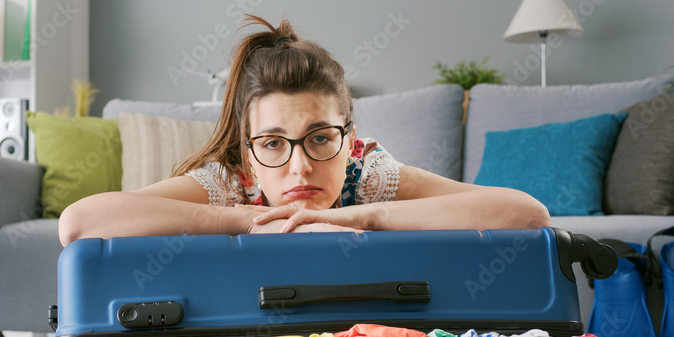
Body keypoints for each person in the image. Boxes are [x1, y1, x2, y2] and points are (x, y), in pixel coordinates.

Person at [58, 15, 549, 245]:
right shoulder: (231, 183)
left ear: (349, 139)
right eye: (273, 142)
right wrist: (250, 220)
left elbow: (527, 214)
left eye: (320, 138)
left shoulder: (365, 173)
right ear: (249, 155)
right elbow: (78, 224)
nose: (301, 166)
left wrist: (362, 218)